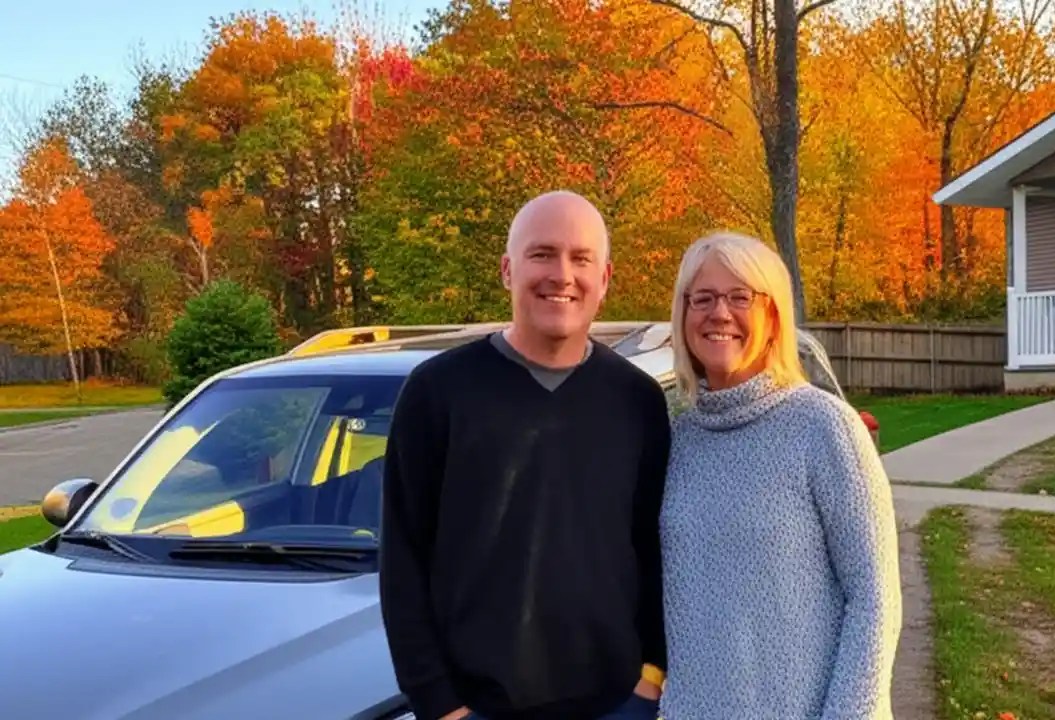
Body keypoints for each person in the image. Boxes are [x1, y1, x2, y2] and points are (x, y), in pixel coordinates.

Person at [378, 190, 671, 720]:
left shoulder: (638, 401)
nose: (562, 274)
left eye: (581, 258)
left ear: (604, 280)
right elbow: (402, 561)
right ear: (507, 271)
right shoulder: (438, 394)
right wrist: (440, 704)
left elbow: (656, 550)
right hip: (478, 708)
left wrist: (651, 675)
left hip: (619, 705)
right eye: (542, 254)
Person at [657, 231, 902, 719]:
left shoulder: (824, 428)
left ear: (773, 316)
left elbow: (875, 599)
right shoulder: (676, 440)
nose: (719, 313)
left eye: (740, 297)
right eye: (701, 298)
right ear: (683, 315)